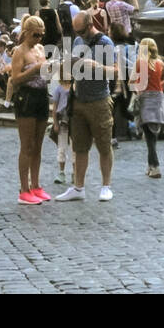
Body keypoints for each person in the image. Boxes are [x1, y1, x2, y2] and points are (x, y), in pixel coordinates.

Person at [55, 11, 117, 202]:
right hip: (79, 99)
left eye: (81, 31)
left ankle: (106, 186)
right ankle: (78, 187)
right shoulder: (77, 42)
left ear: (90, 24)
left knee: (104, 145)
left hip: (99, 100)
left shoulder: (105, 42)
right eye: (76, 32)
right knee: (79, 147)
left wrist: (96, 66)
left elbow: (115, 71)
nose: (79, 35)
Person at [7, 15, 50, 203]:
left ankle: (36, 185)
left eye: (41, 35)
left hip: (41, 95)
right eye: (35, 35)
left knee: (38, 146)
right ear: (26, 33)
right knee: (27, 145)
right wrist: (35, 69)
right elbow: (15, 79)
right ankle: (24, 189)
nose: (39, 39)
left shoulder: (40, 48)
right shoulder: (19, 51)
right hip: (27, 97)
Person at [134, 36, 164, 178]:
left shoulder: (140, 62)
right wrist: (159, 87)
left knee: (149, 136)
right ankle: (150, 166)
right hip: (158, 99)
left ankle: (155, 167)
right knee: (152, 136)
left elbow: (133, 82)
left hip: (146, 100)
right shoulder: (160, 62)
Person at [50, 75, 71, 184]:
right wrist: (55, 123)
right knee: (62, 147)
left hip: (74, 120)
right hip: (62, 120)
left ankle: (75, 173)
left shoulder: (75, 87)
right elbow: (54, 107)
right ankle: (61, 172)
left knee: (76, 148)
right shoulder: (59, 88)